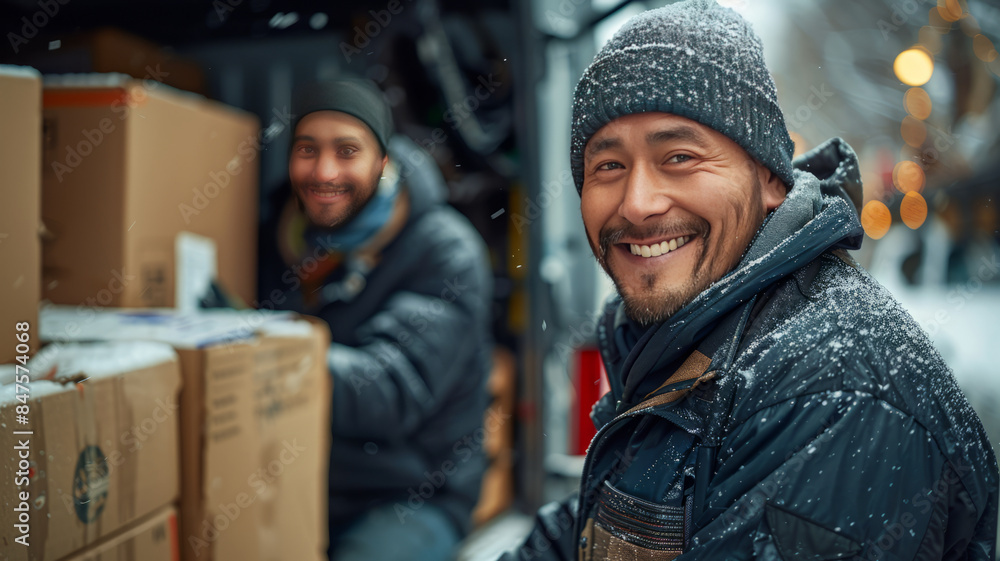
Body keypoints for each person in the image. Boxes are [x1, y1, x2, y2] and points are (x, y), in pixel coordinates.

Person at [502, 1, 998, 559]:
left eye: (680, 156)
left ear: (769, 180)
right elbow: (598, 518)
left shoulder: (835, 389)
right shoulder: (688, 336)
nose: (637, 203)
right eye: (608, 166)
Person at [258, 78, 494, 561]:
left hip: (409, 495)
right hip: (305, 474)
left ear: (383, 162)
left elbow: (388, 392)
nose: (324, 171)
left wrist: (256, 351)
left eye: (347, 151)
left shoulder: (445, 251)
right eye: (308, 149)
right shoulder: (282, 235)